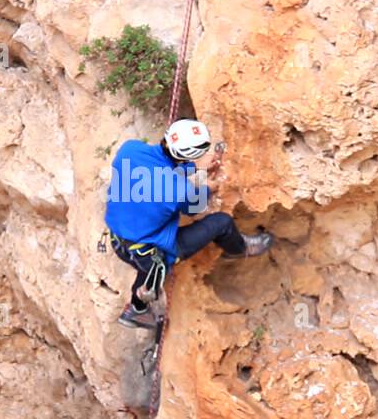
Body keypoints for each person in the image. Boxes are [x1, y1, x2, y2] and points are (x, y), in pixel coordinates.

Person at [105, 119, 273, 329]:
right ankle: (239, 248)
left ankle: (135, 311)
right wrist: (208, 188)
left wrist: (193, 168)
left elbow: (158, 169)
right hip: (150, 249)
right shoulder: (179, 190)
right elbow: (195, 207)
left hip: (118, 239)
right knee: (222, 223)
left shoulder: (130, 149)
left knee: (146, 266)